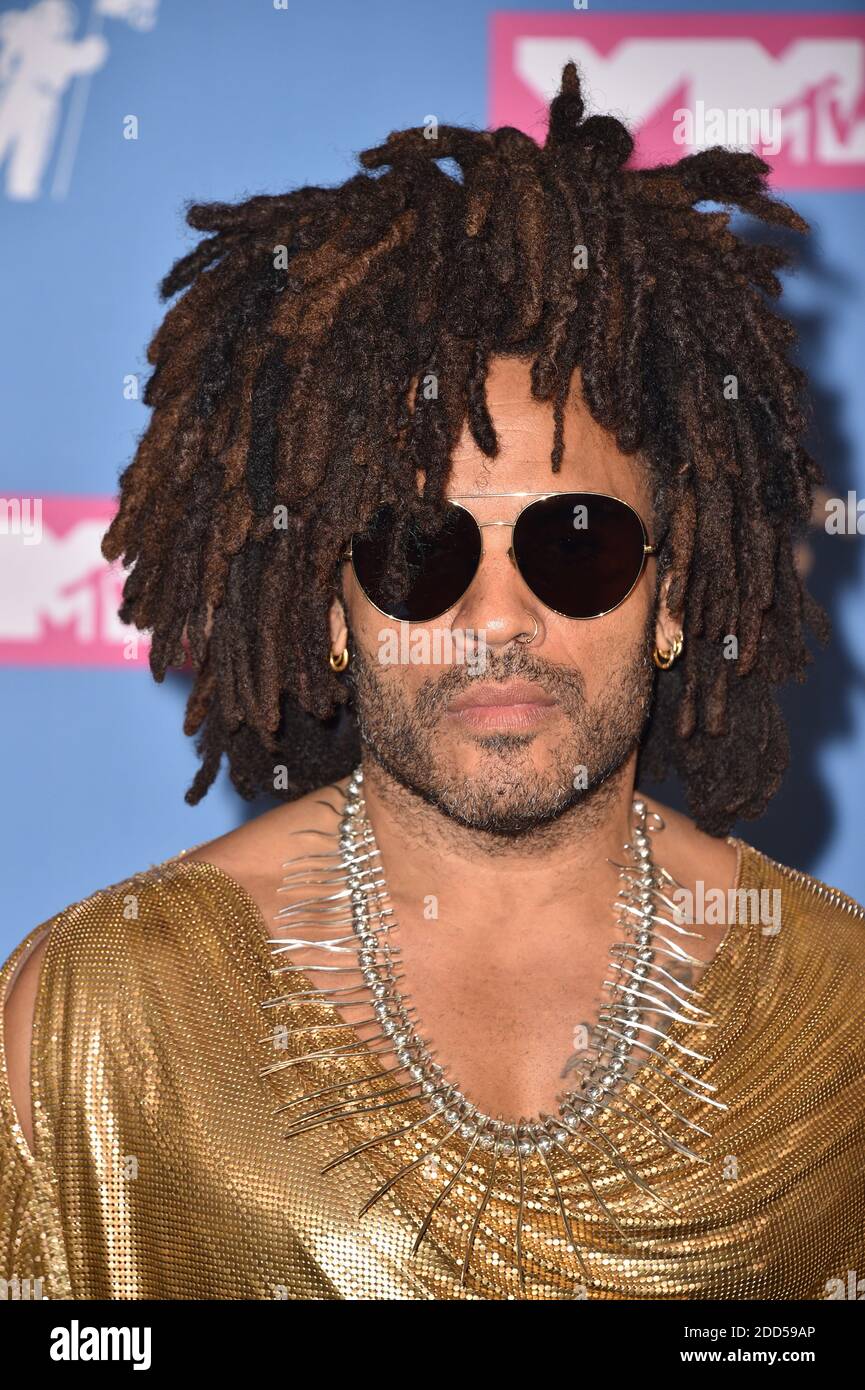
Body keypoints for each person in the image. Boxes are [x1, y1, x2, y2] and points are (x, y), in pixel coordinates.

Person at [2, 63, 863, 1302]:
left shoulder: (844, 1027)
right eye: (419, 550)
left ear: (673, 598)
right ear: (334, 606)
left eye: (578, 544)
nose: (496, 618)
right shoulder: (101, 1014)